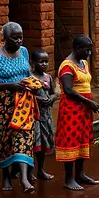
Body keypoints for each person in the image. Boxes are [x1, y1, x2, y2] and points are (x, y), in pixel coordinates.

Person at [0, 22, 39, 193]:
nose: (19, 41)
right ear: (4, 39)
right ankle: (6, 176)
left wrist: (33, 84)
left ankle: (25, 179)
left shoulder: (25, 52)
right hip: (2, 104)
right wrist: (9, 86)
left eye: (21, 37)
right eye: (15, 38)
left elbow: (27, 74)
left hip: (23, 102)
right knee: (4, 140)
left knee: (24, 136)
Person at [55, 34, 99, 191]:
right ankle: (69, 178)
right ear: (77, 48)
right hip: (72, 109)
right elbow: (68, 90)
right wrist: (88, 102)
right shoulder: (67, 66)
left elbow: (86, 85)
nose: (89, 53)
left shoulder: (84, 64)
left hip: (85, 109)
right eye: (87, 50)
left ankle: (80, 173)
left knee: (83, 139)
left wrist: (92, 102)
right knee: (71, 140)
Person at [31, 49, 56, 182]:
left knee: (45, 142)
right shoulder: (30, 77)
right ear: (33, 63)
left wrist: (51, 99)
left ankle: (41, 169)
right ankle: (30, 171)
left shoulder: (48, 77)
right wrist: (38, 99)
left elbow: (53, 93)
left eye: (46, 61)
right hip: (34, 116)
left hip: (46, 116)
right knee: (34, 142)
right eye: (41, 62)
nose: (45, 64)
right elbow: (27, 95)